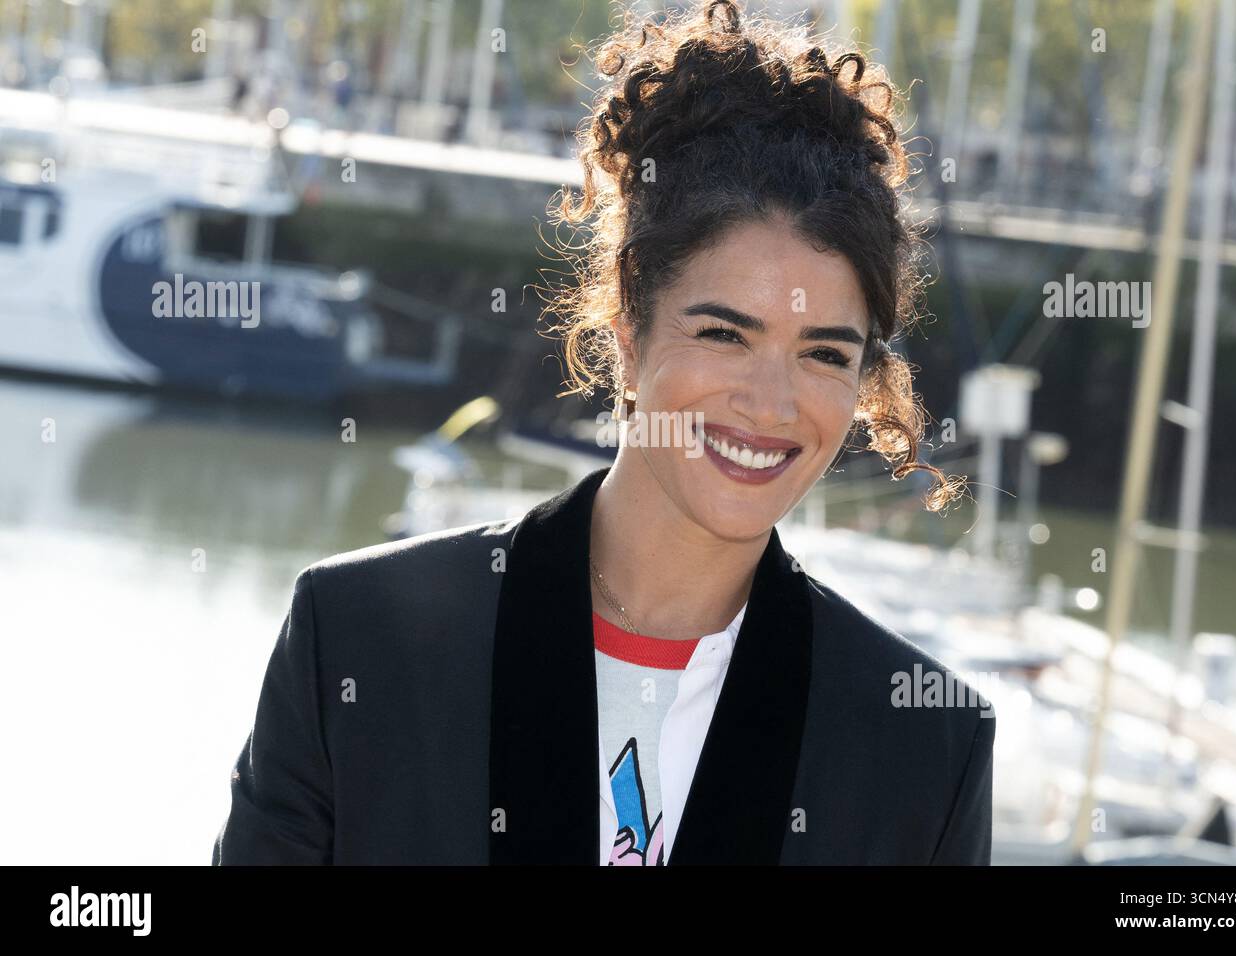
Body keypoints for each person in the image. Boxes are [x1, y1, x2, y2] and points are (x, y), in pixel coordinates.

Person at [212, 0, 994, 866]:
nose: (772, 405)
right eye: (724, 334)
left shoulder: (925, 747)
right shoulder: (358, 640)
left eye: (822, 353)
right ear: (628, 337)